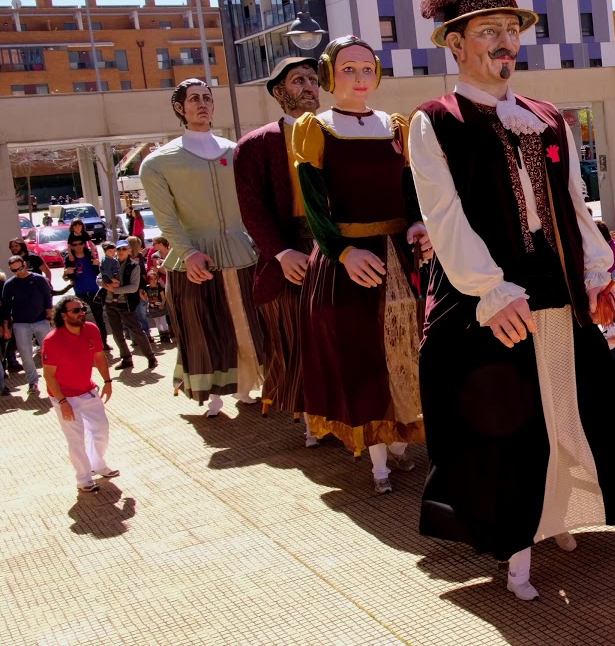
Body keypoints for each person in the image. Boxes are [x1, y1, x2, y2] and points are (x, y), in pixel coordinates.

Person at [411, 0, 615, 601]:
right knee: (509, 432)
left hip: (558, 295)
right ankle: (517, 539)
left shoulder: (548, 119)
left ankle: (554, 518)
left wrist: (597, 270)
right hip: (488, 306)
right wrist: (490, 291)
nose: (503, 42)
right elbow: (446, 221)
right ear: (455, 42)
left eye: (510, 30)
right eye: (487, 30)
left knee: (578, 415)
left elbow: (575, 205)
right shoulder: (433, 122)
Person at [291, 36, 428, 491]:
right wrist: (344, 253)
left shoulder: (396, 127)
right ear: (331, 75)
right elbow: (314, 208)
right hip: (347, 263)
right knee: (364, 354)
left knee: (409, 343)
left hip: (398, 254)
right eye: (349, 69)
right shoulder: (315, 129)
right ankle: (377, 454)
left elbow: (410, 191)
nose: (360, 77)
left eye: (367, 68)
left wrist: (417, 225)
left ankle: (401, 439)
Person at [140, 79, 264, 416]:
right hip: (193, 258)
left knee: (245, 323)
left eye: (207, 98)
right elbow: (166, 219)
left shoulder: (236, 151)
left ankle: (246, 385)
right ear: (180, 108)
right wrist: (187, 252)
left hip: (240, 252)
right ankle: (213, 394)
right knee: (205, 327)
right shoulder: (157, 163)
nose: (202, 104)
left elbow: (252, 205)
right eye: (194, 99)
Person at [234, 55, 320, 428]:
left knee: (334, 332)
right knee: (293, 337)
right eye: (298, 80)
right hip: (285, 254)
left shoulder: (334, 133)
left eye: (314, 80)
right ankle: (305, 414)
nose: (309, 87)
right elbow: (252, 210)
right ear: (278, 91)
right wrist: (282, 253)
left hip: (335, 250)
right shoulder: (254, 145)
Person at [43, 295, 116, 493]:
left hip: (88, 390)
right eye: (76, 311)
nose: (82, 313)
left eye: (82, 308)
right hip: (64, 396)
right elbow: (49, 376)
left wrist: (108, 382)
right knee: (76, 438)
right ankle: (83, 478)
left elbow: (99, 357)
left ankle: (98, 464)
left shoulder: (91, 329)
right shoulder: (52, 340)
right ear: (64, 316)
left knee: (101, 429)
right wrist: (63, 402)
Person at [98, 241, 156, 371]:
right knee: (116, 333)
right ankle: (126, 358)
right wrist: (104, 284)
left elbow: (133, 287)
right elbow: (99, 277)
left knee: (136, 330)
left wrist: (115, 290)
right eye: (118, 249)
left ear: (129, 250)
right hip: (110, 302)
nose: (121, 251)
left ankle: (151, 357)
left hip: (125, 303)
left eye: (124, 249)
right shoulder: (109, 262)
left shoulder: (133, 266)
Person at [4, 254, 53, 396]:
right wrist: (6, 326)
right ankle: (33, 382)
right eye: (14, 270)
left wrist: (49, 317)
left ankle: (52, 379)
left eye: (20, 267)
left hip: (41, 321)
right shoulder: (10, 284)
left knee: (48, 353)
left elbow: (47, 298)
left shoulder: (39, 279)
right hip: (20, 324)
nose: (18, 271)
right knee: (26, 355)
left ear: (25, 264)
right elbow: (6, 307)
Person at [62, 240, 107, 351]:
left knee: (99, 318)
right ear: (71, 246)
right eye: (75, 244)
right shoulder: (69, 259)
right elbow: (65, 277)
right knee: (79, 320)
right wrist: (65, 273)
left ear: (84, 244)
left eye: (80, 243)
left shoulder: (90, 256)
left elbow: (100, 273)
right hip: (79, 292)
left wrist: (98, 265)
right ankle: (83, 344)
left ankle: (104, 343)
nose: (78, 246)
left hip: (93, 290)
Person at [142, 270, 170, 344]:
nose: (153, 281)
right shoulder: (147, 288)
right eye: (151, 279)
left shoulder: (159, 288)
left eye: (155, 279)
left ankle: (166, 335)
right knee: (157, 322)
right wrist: (141, 294)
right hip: (152, 308)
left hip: (160, 308)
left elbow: (164, 298)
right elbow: (145, 298)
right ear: (148, 280)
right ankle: (161, 335)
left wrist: (162, 304)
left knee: (163, 321)